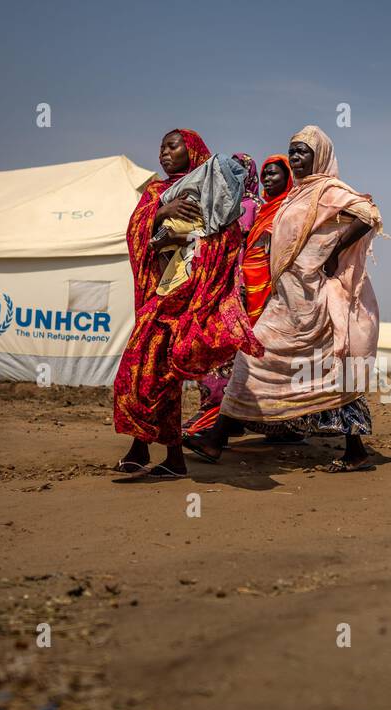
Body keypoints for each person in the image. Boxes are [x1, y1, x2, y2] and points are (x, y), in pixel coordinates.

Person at [189, 125, 383, 472]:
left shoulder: (329, 190)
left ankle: (217, 440)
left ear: (319, 156)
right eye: (292, 150)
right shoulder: (297, 194)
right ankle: (218, 439)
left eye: (302, 151)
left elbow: (369, 214)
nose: (294, 156)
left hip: (316, 302)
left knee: (313, 369)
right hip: (289, 299)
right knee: (269, 362)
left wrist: (336, 250)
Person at [111, 129, 262, 480]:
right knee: (145, 372)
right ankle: (150, 450)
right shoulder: (155, 192)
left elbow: (224, 241)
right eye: (162, 146)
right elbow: (136, 233)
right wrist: (164, 210)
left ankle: (163, 454)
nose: (164, 152)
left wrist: (183, 235)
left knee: (158, 374)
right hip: (156, 296)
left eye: (172, 146)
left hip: (187, 300)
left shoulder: (213, 192)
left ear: (192, 151)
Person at [181, 153, 270, 439]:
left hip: (242, 287)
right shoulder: (217, 204)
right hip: (214, 283)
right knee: (210, 345)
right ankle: (213, 410)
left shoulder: (256, 207)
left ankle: (225, 418)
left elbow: (262, 251)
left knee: (233, 350)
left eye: (241, 171)